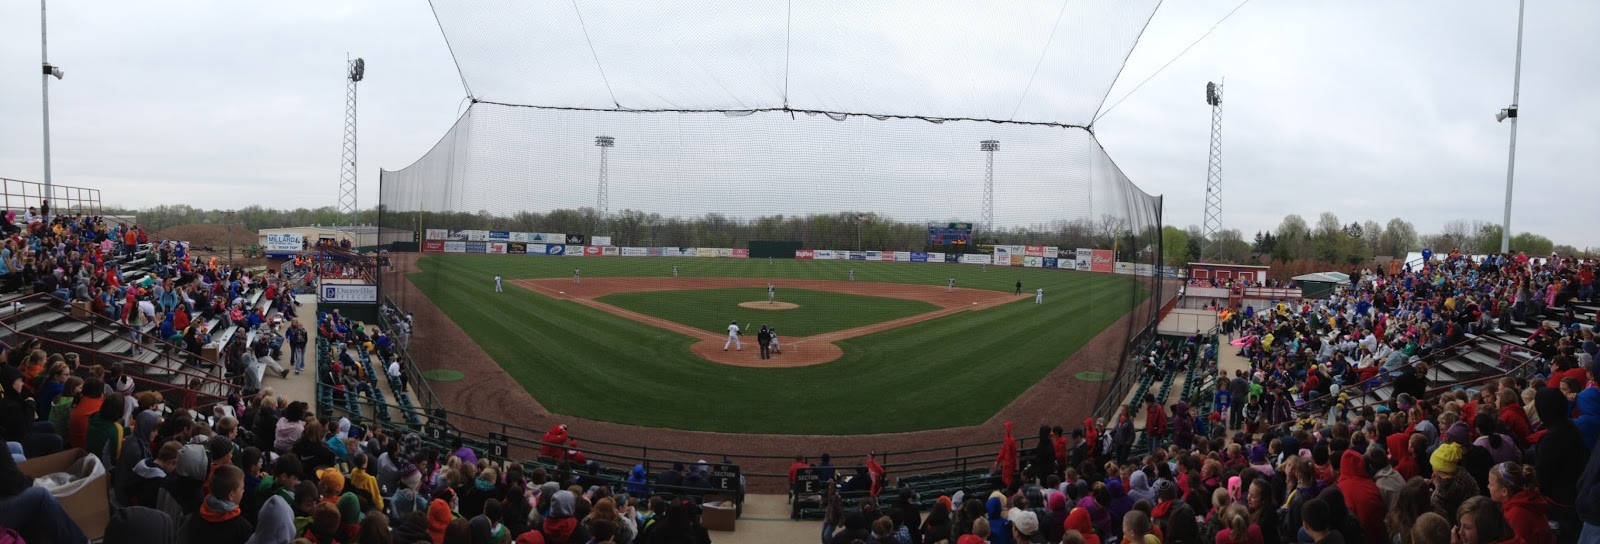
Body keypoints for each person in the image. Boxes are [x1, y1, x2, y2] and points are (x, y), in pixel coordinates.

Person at [181, 463, 254, 544]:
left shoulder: (193, 518)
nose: (243, 491)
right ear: (231, 495)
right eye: (242, 488)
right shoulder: (243, 528)